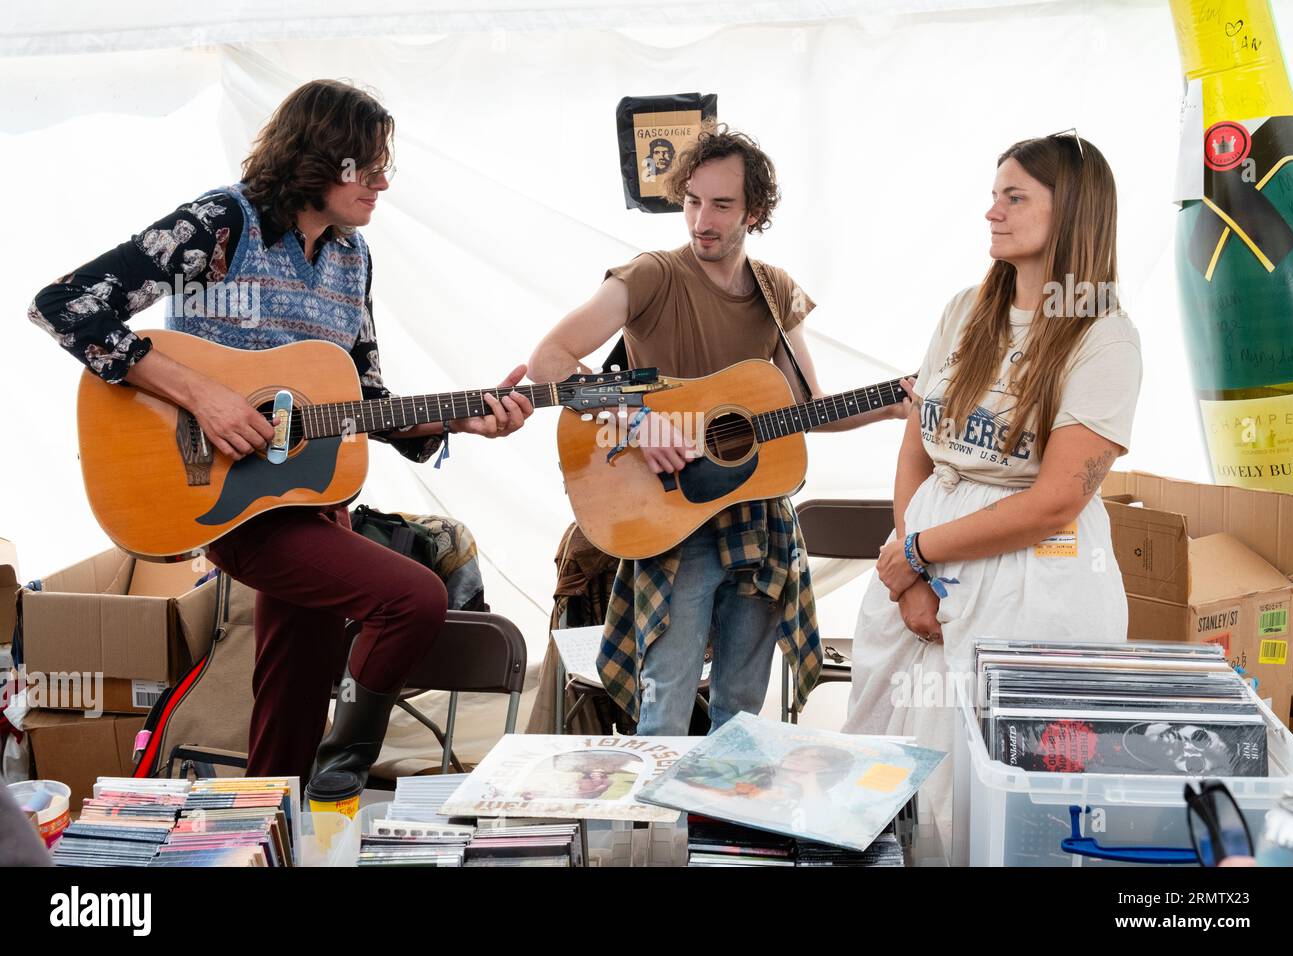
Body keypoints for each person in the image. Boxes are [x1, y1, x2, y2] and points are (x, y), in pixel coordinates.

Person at [28, 79, 534, 788]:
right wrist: (202, 395)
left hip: (310, 498)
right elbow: (65, 305)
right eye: (369, 165)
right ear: (317, 157)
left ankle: (276, 822)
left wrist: (461, 419)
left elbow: (366, 400)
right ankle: (341, 773)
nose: (383, 183)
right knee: (411, 598)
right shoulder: (217, 225)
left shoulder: (351, 258)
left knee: (291, 700)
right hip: (221, 496)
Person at [529, 124, 914, 737]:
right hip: (674, 519)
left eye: (722, 205)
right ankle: (662, 834)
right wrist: (635, 418)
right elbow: (549, 360)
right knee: (667, 706)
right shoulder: (650, 276)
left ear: (754, 212)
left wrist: (897, 401)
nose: (701, 220)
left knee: (741, 713)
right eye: (692, 201)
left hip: (754, 515)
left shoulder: (775, 292)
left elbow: (810, 407)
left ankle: (726, 827)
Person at [843, 131, 1142, 855]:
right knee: (887, 785)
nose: (992, 213)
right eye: (993, 195)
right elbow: (918, 442)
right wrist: (911, 574)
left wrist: (917, 550)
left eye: (1014, 197)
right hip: (921, 564)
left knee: (1007, 796)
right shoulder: (964, 310)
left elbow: (1054, 503)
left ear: (1070, 213)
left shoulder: (1105, 338)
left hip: (1031, 585)